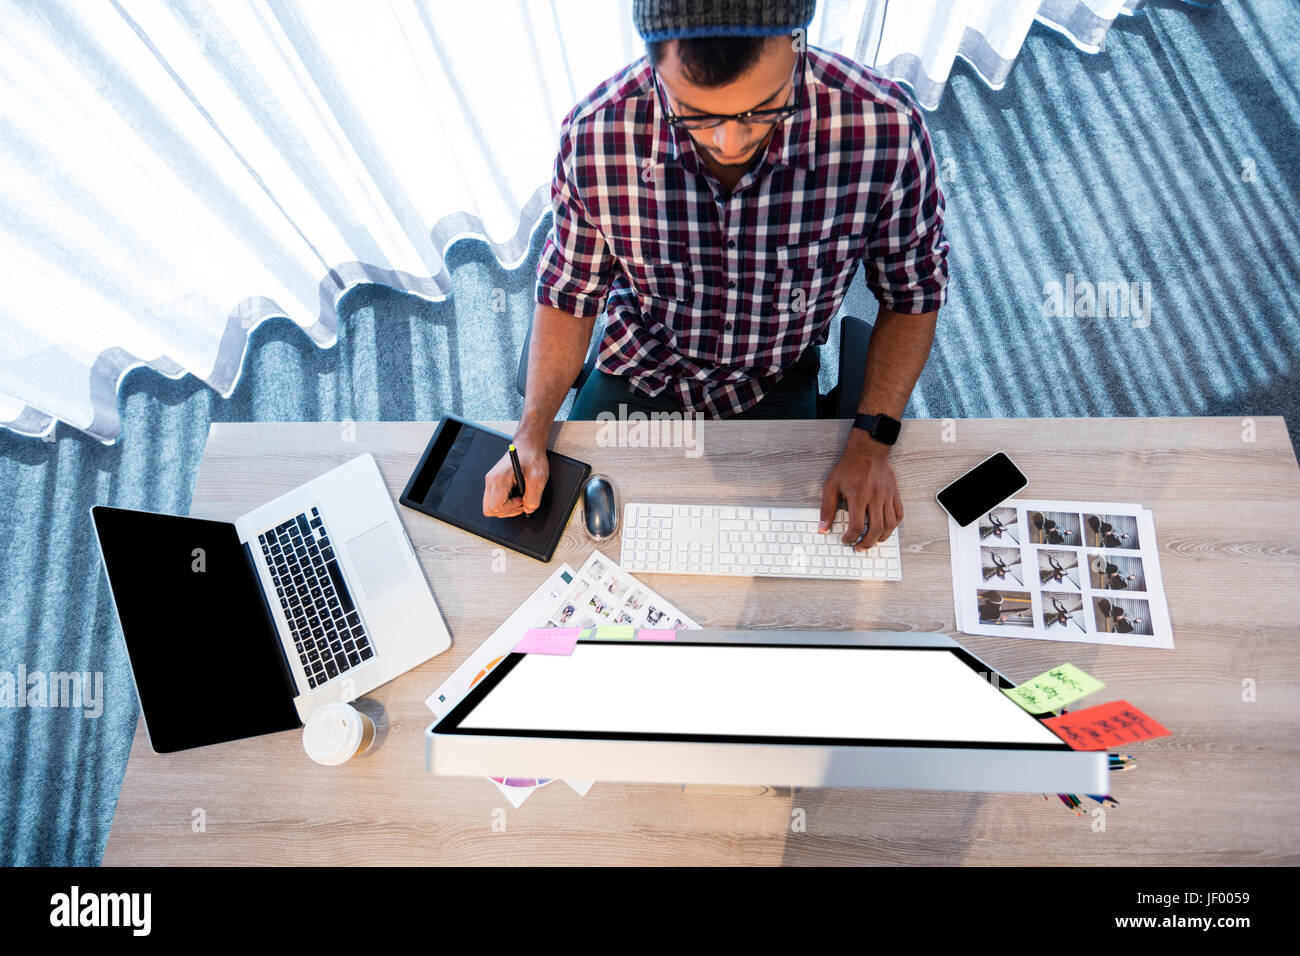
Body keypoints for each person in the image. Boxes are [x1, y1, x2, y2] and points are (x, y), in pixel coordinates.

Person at [482, 0, 950, 555]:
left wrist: (873, 443)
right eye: (697, 115)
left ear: (797, 44)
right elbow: (568, 294)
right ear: (656, 65)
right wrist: (531, 429)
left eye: (762, 108)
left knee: (792, 567)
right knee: (564, 553)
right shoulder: (594, 138)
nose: (729, 143)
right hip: (642, 365)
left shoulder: (885, 132)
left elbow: (913, 295)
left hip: (773, 377)